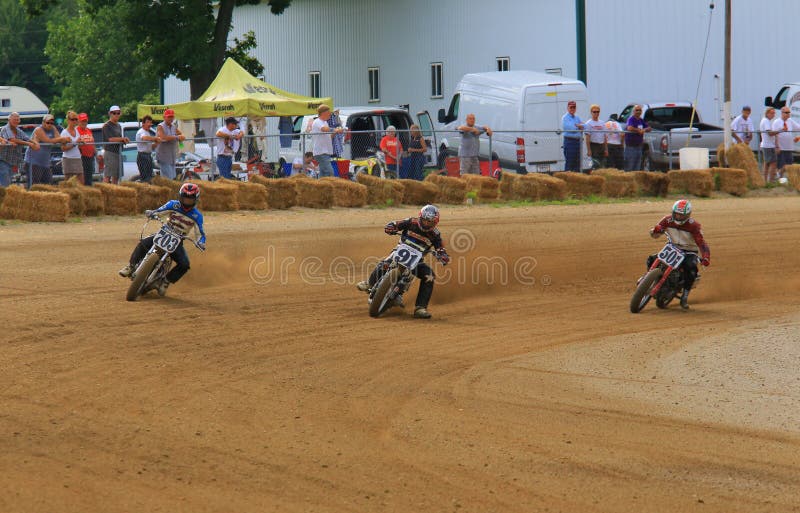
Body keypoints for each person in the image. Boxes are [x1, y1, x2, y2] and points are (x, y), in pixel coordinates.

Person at [355, 204, 450, 319]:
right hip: (398, 252)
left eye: (430, 222)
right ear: (420, 217)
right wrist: (391, 227)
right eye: (425, 220)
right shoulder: (411, 222)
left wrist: (443, 255)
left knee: (429, 276)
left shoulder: (435, 235)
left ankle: (420, 308)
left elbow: (440, 248)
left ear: (435, 223)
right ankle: (369, 283)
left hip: (417, 261)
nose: (426, 224)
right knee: (384, 263)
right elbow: (396, 224)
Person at [118, 182, 206, 296]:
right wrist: (152, 213)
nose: (187, 201)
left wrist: (201, 242)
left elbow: (200, 233)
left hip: (178, 240)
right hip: (164, 233)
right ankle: (131, 266)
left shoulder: (197, 216)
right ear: (180, 196)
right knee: (143, 243)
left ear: (196, 200)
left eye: (190, 199)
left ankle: (165, 281)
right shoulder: (173, 205)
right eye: (185, 198)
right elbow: (159, 211)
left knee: (184, 264)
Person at [649, 199, 710, 309]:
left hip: (689, 251)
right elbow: (655, 235)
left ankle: (685, 296)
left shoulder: (694, 226)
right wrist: (655, 231)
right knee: (651, 259)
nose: (678, 217)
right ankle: (651, 280)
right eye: (676, 214)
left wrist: (706, 257)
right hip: (672, 247)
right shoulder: (667, 220)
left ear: (687, 215)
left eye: (681, 215)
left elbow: (702, 243)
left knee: (691, 269)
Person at [0, 112, 39, 187]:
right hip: (3, 160)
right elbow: (12, 139)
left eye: (18, 120)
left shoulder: (18, 130)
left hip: (14, 161)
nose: (16, 121)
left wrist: (35, 143)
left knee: (10, 182)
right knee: (5, 183)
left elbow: (26, 138)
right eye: (14, 119)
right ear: (9, 120)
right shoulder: (5, 129)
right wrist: (29, 144)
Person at [30, 114, 68, 185]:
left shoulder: (53, 128)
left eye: (51, 123)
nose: (50, 124)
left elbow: (59, 139)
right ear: (43, 122)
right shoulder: (38, 129)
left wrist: (64, 139)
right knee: (36, 185)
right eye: (48, 122)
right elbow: (47, 140)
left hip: (45, 162)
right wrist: (62, 139)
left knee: (48, 183)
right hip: (34, 162)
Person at [311, 104, 343, 178]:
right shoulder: (317, 121)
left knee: (323, 173)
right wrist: (335, 129)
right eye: (328, 112)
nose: (330, 114)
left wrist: (336, 132)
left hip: (325, 152)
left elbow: (329, 137)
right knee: (330, 172)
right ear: (323, 113)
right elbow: (323, 129)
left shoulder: (325, 122)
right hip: (321, 152)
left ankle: (320, 187)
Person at [102, 105, 129, 184]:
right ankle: (104, 193)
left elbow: (118, 138)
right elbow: (110, 139)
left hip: (118, 152)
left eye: (118, 113)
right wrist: (122, 139)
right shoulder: (106, 125)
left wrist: (123, 140)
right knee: (108, 175)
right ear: (110, 114)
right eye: (114, 113)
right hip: (110, 152)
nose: (116, 115)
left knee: (116, 176)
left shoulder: (118, 125)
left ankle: (114, 193)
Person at [156, 108, 185, 180]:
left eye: (172, 117)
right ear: (164, 117)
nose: (171, 118)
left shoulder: (173, 126)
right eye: (169, 117)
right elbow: (163, 137)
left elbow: (181, 134)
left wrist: (182, 137)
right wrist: (177, 137)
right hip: (164, 156)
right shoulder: (160, 126)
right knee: (168, 178)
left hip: (172, 156)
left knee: (172, 177)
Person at [772, 107, 800, 176]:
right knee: (781, 165)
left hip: (789, 147)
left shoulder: (790, 121)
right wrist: (777, 146)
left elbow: (798, 127)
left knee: (789, 165)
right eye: (786, 112)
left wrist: (798, 137)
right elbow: (774, 135)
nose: (788, 114)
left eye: (789, 112)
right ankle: (779, 177)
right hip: (781, 147)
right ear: (782, 113)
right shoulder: (776, 122)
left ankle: (786, 178)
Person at [624, 105, 651, 171]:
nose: (638, 112)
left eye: (639, 110)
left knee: (637, 166)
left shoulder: (641, 120)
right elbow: (629, 128)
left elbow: (649, 128)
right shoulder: (631, 119)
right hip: (631, 146)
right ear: (633, 111)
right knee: (630, 166)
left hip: (639, 146)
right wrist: (638, 130)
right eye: (637, 110)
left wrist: (644, 130)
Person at [60, 111, 84, 182]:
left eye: (76, 119)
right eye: (72, 119)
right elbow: (63, 148)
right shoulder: (64, 132)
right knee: (68, 182)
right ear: (68, 120)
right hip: (68, 159)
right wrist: (75, 143)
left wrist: (81, 143)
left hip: (77, 158)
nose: (75, 121)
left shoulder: (77, 131)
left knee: (81, 182)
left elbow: (78, 146)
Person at [561, 100, 584, 172]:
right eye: (571, 107)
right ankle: (568, 181)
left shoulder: (577, 117)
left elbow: (583, 126)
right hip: (569, 141)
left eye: (574, 107)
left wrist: (580, 126)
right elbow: (572, 129)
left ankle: (576, 181)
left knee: (577, 163)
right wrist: (578, 126)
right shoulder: (565, 118)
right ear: (567, 108)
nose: (572, 109)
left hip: (577, 142)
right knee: (570, 163)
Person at [136, 115, 159, 183]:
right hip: (142, 156)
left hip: (148, 155)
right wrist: (155, 138)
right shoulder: (141, 131)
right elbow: (144, 138)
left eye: (150, 122)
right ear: (143, 123)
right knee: (146, 178)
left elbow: (150, 147)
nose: (150, 124)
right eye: (148, 122)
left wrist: (157, 143)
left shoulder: (147, 132)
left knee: (149, 177)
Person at [584, 104, 607, 170]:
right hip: (594, 146)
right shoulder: (588, 123)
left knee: (602, 165)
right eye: (594, 112)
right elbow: (587, 137)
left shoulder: (602, 123)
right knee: (595, 165)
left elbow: (605, 136)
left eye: (598, 111)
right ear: (591, 112)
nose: (596, 113)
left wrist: (606, 149)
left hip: (601, 146)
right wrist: (589, 150)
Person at [759, 107, 778, 182]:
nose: (773, 115)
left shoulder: (767, 121)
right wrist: (779, 131)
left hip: (768, 145)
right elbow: (770, 133)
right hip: (768, 145)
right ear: (767, 113)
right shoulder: (766, 121)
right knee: (773, 163)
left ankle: (765, 180)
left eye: (774, 113)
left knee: (767, 163)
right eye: (771, 113)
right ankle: (770, 180)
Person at [76, 113, 96, 185]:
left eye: (85, 121)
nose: (84, 123)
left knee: (89, 177)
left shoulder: (88, 130)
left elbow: (92, 143)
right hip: (81, 157)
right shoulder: (76, 130)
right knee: (82, 177)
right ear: (78, 121)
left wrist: (95, 153)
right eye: (82, 121)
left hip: (90, 156)